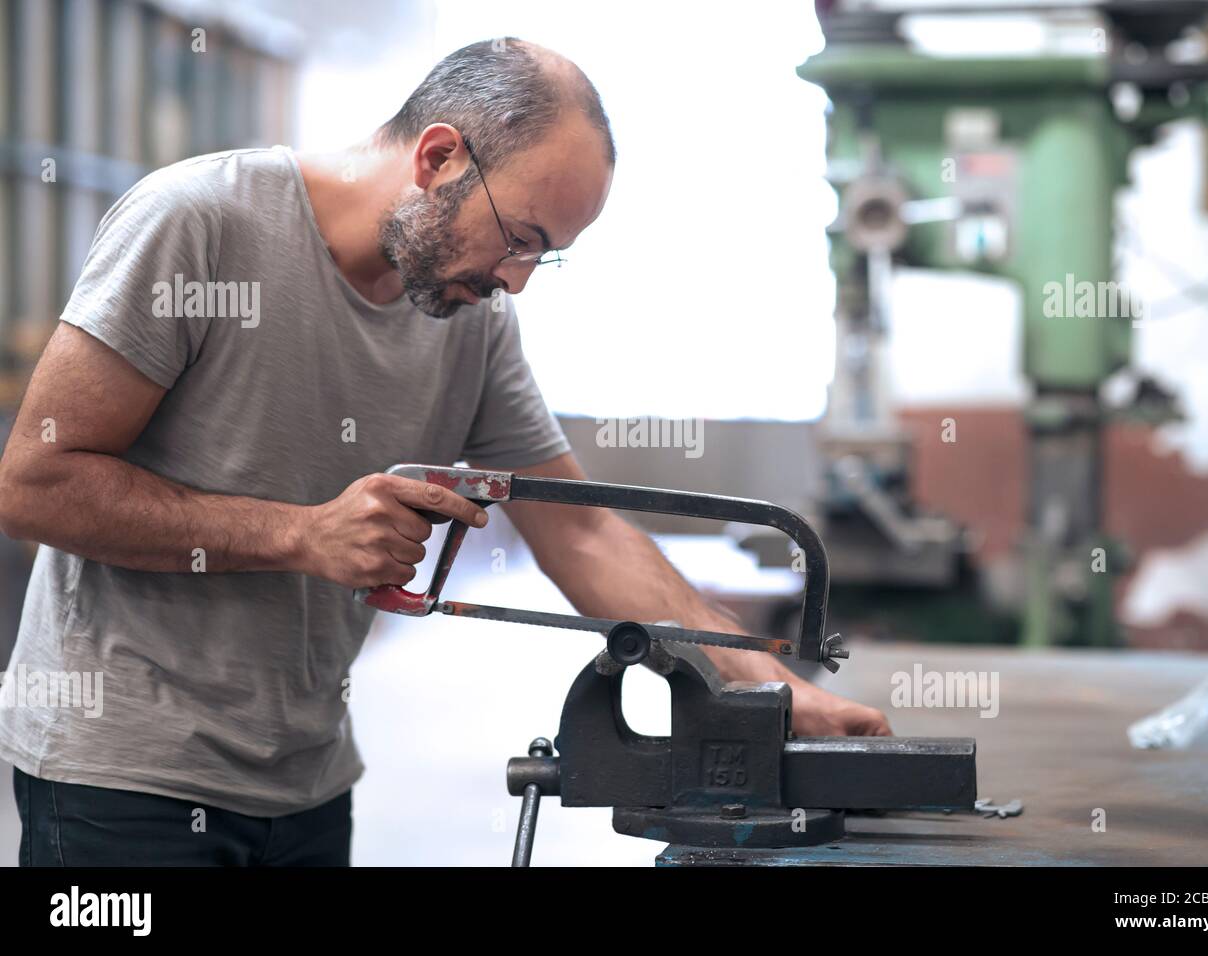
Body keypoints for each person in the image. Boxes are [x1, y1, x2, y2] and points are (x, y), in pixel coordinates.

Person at [0, 38, 890, 867]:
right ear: (438, 159)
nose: (516, 281)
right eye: (520, 239)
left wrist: (772, 690)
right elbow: (34, 484)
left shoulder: (471, 319)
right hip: (121, 783)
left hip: (305, 780)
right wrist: (301, 535)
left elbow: (580, 534)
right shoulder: (198, 222)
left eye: (549, 259)